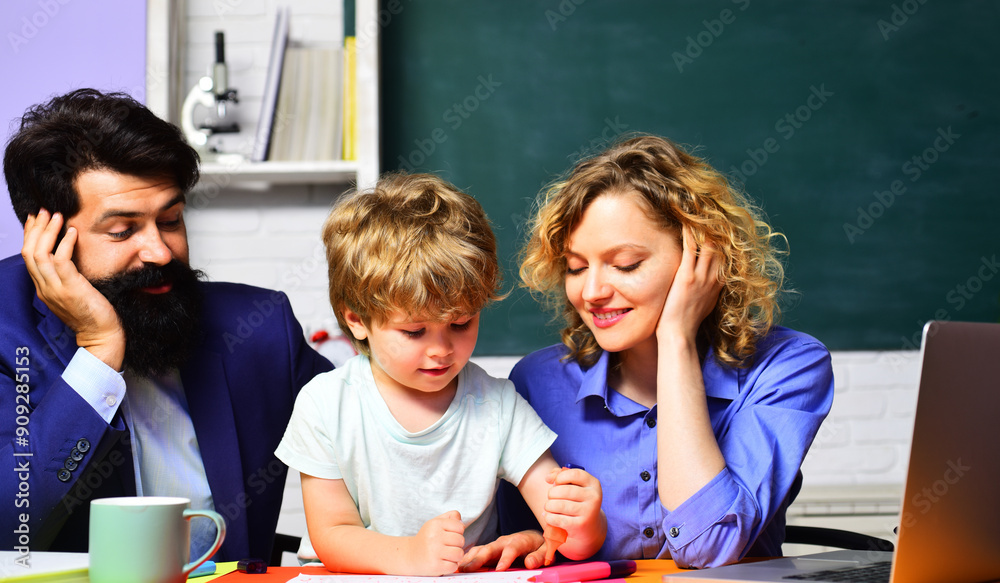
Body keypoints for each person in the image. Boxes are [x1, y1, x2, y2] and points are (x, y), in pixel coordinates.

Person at [0, 88, 332, 562]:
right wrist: (97, 351)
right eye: (123, 231)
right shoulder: (5, 332)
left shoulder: (257, 328)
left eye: (171, 220)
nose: (159, 251)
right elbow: (12, 524)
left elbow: (372, 426)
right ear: (48, 241)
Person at [496, 134, 835, 569]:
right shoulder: (534, 384)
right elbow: (522, 547)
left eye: (626, 264)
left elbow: (710, 547)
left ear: (702, 255)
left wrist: (676, 337)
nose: (593, 291)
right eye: (576, 267)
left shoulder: (789, 366)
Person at [274, 172, 607, 576]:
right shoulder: (325, 404)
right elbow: (332, 533)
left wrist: (582, 522)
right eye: (415, 331)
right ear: (358, 321)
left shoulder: (498, 404)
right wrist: (410, 556)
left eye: (462, 323)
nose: (442, 349)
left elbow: (567, 537)